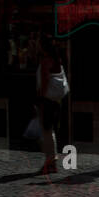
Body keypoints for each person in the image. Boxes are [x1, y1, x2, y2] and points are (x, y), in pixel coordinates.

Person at [34, 34, 69, 176]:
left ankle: (50, 160)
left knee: (47, 131)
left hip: (47, 100)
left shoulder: (46, 61)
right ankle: (51, 161)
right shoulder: (57, 60)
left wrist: (40, 99)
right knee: (50, 130)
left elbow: (44, 82)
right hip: (56, 101)